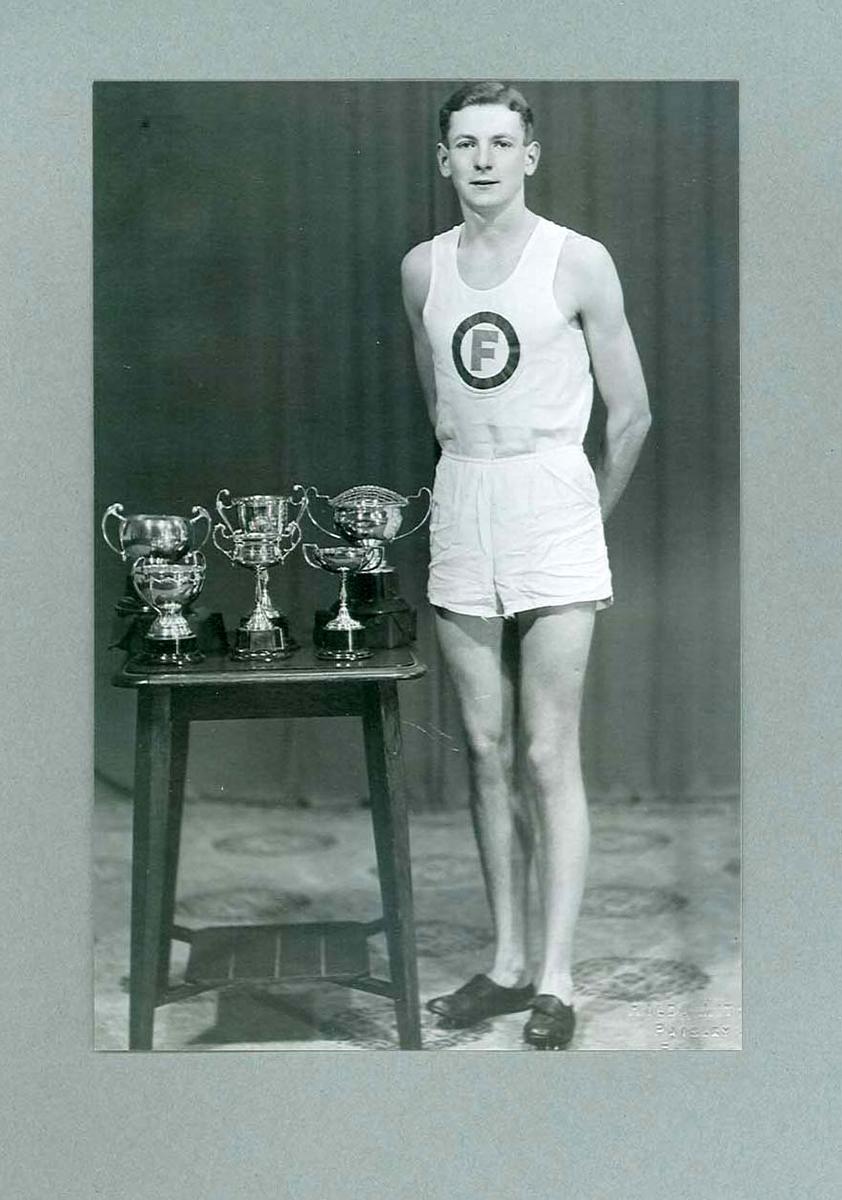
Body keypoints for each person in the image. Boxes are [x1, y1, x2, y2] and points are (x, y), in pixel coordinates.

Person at [401, 81, 651, 1049]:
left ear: (529, 156)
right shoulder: (421, 272)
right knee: (482, 746)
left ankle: (554, 975)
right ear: (443, 159)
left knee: (549, 752)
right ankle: (504, 963)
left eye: (501, 143)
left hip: (553, 502)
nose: (483, 160)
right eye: (465, 144)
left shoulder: (577, 262)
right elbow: (438, 403)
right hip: (466, 497)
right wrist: (479, 480)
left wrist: (583, 513)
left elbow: (628, 413)